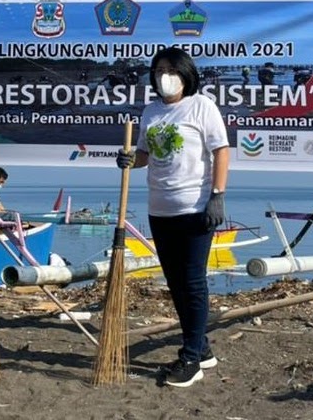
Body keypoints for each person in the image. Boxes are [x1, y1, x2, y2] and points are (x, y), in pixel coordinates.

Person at [116, 46, 229, 388]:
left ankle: (190, 358)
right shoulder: (151, 111)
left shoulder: (201, 106)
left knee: (193, 281)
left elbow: (221, 151)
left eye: (172, 70)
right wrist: (128, 161)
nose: (166, 76)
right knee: (176, 282)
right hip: (159, 208)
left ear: (185, 74)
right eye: (160, 70)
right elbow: (146, 155)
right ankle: (202, 348)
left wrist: (217, 196)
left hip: (194, 207)